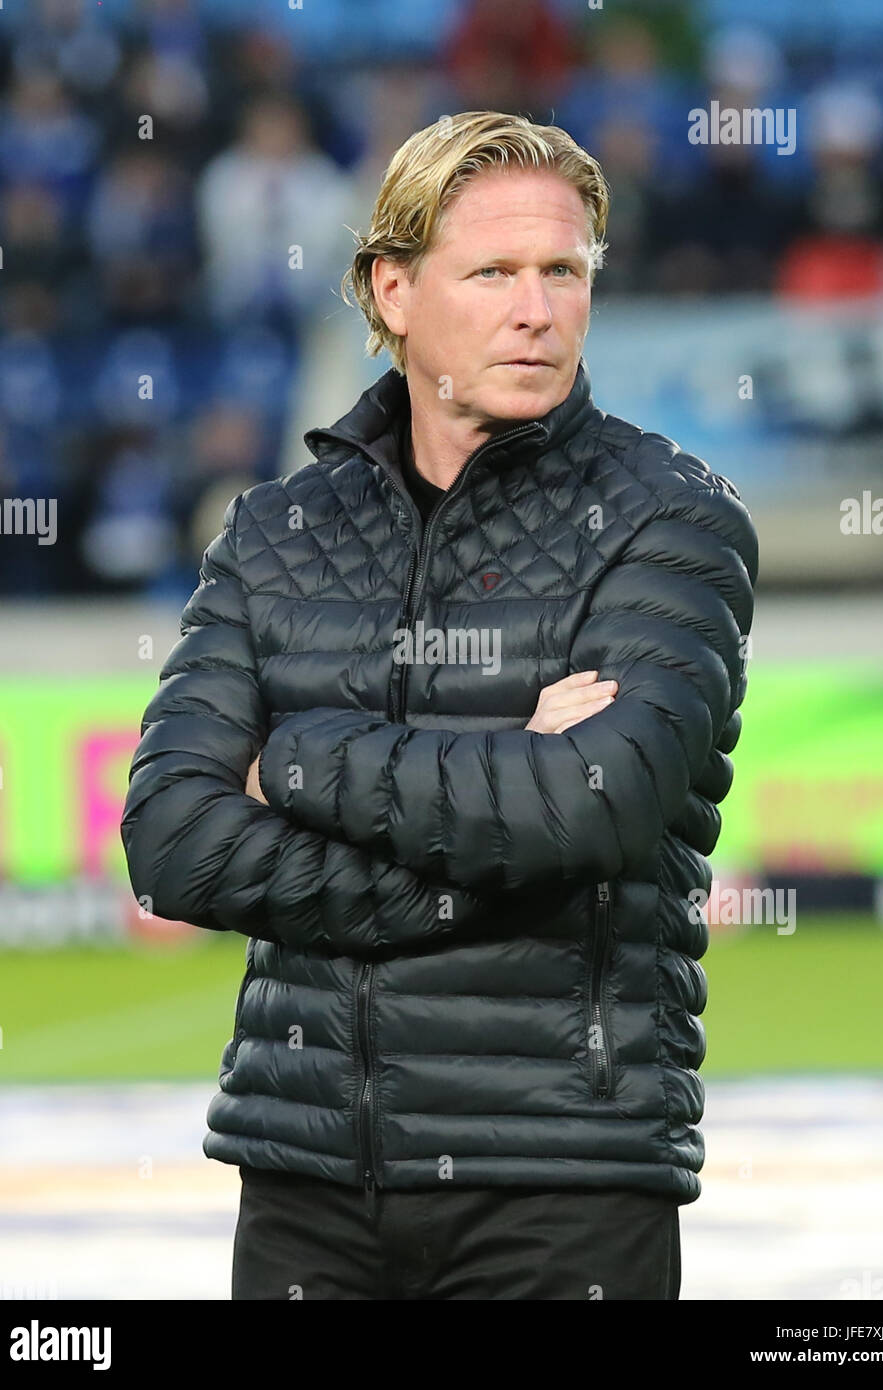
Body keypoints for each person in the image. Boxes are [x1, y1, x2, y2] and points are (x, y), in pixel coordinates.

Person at [121, 110, 759, 1300]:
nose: (539, 308)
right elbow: (173, 845)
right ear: (394, 289)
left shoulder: (670, 518)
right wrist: (503, 799)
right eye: (496, 273)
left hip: (566, 1180)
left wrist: (298, 758)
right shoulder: (277, 532)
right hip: (305, 1175)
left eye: (565, 271)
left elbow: (593, 806)